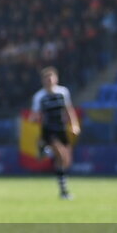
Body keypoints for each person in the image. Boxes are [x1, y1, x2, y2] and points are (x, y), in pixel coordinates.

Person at [30, 66, 80, 200]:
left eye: (51, 78)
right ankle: (47, 149)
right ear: (43, 81)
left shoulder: (63, 92)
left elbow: (69, 109)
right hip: (49, 130)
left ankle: (63, 190)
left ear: (56, 79)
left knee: (65, 161)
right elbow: (34, 115)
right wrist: (34, 118)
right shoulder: (39, 97)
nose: (49, 81)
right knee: (62, 156)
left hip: (61, 129)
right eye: (46, 78)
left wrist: (74, 125)